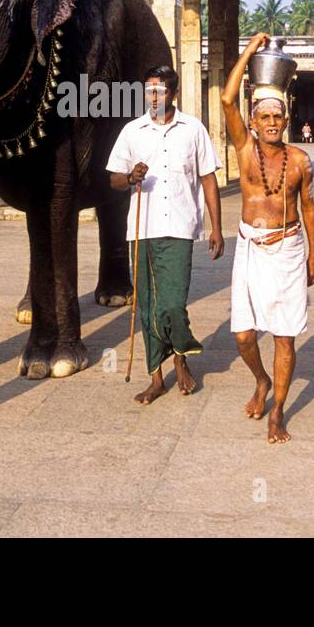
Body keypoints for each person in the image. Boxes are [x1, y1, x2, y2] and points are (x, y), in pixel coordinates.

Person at [221, 33, 314, 443]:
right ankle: (261, 380)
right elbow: (228, 101)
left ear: (285, 120)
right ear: (255, 122)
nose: (273, 123)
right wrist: (247, 50)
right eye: (265, 118)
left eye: (278, 117)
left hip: (288, 248)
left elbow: (310, 208)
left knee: (284, 334)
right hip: (250, 249)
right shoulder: (245, 150)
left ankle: (278, 409)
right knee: (243, 335)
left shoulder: (299, 160)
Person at [107, 65, 223, 405]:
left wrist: (216, 227)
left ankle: (181, 355)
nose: (153, 96)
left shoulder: (193, 130)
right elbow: (113, 178)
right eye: (148, 90)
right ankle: (157, 377)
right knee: (147, 307)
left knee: (172, 304)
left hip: (181, 228)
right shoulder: (132, 131)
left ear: (173, 94)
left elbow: (208, 179)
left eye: (159, 90)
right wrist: (130, 177)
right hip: (142, 230)